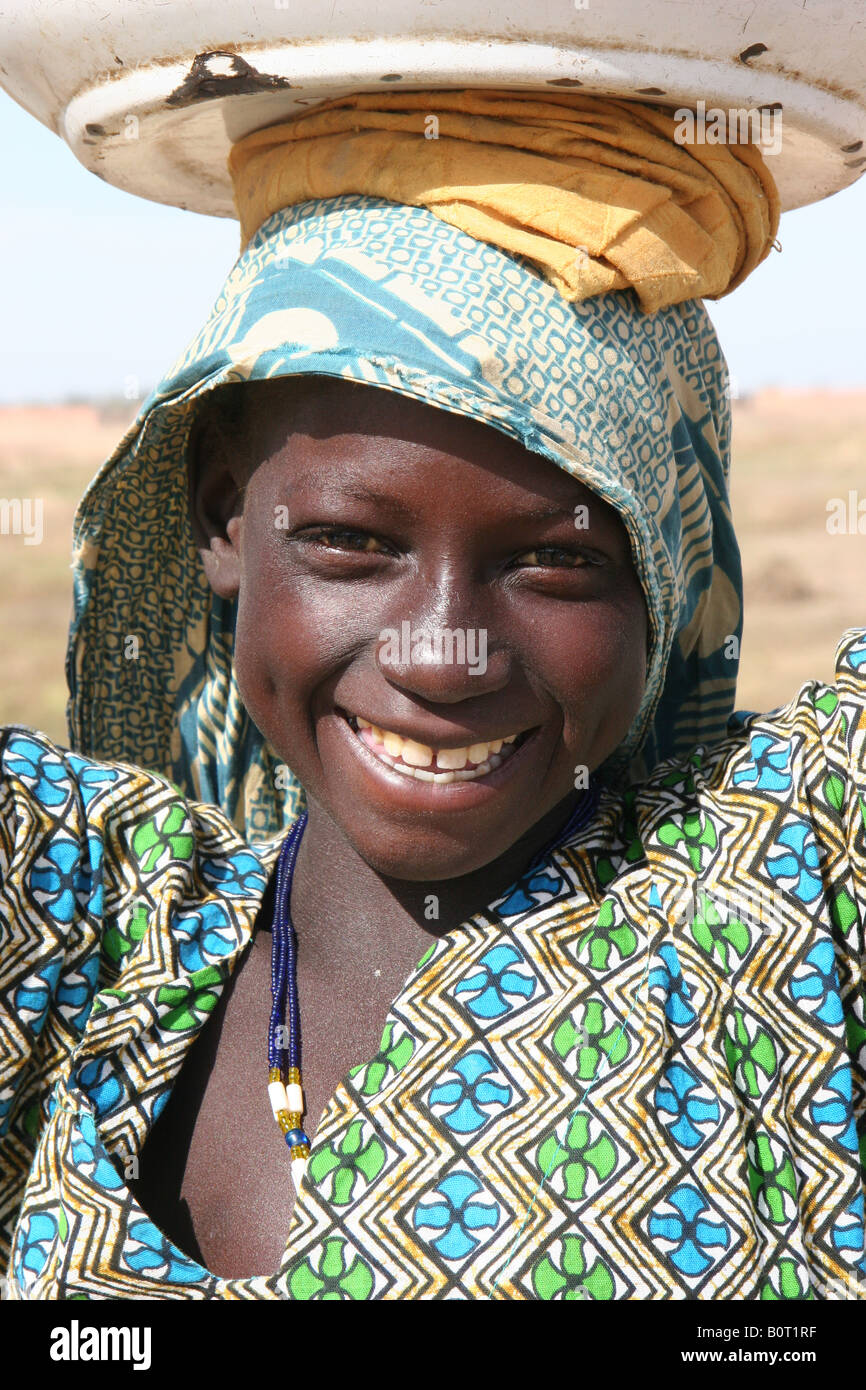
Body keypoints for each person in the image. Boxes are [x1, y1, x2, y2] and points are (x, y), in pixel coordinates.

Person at [1, 90, 863, 1301]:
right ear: (223, 520)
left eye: (555, 559)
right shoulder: (89, 929)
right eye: (354, 543)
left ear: (660, 581)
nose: (444, 653)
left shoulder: (777, 895)